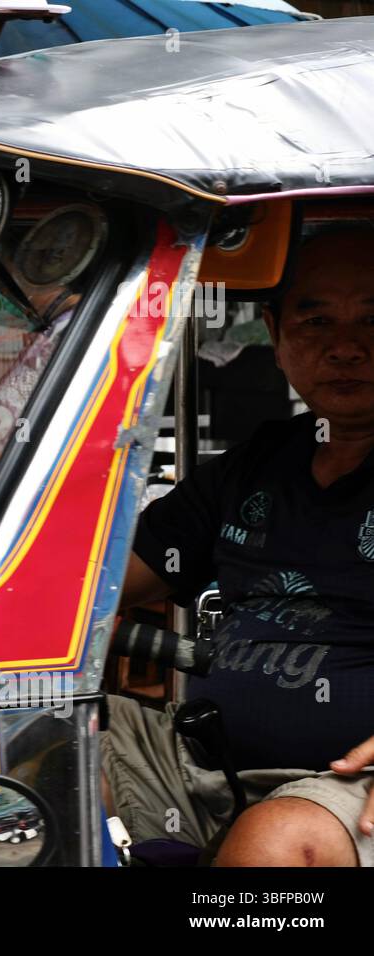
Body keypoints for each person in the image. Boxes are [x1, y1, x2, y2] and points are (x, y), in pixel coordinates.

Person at [109, 227, 374, 866]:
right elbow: (109, 582)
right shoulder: (255, 463)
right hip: (198, 760)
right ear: (276, 336)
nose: (346, 346)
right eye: (316, 320)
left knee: (275, 842)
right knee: (32, 739)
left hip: (346, 787)